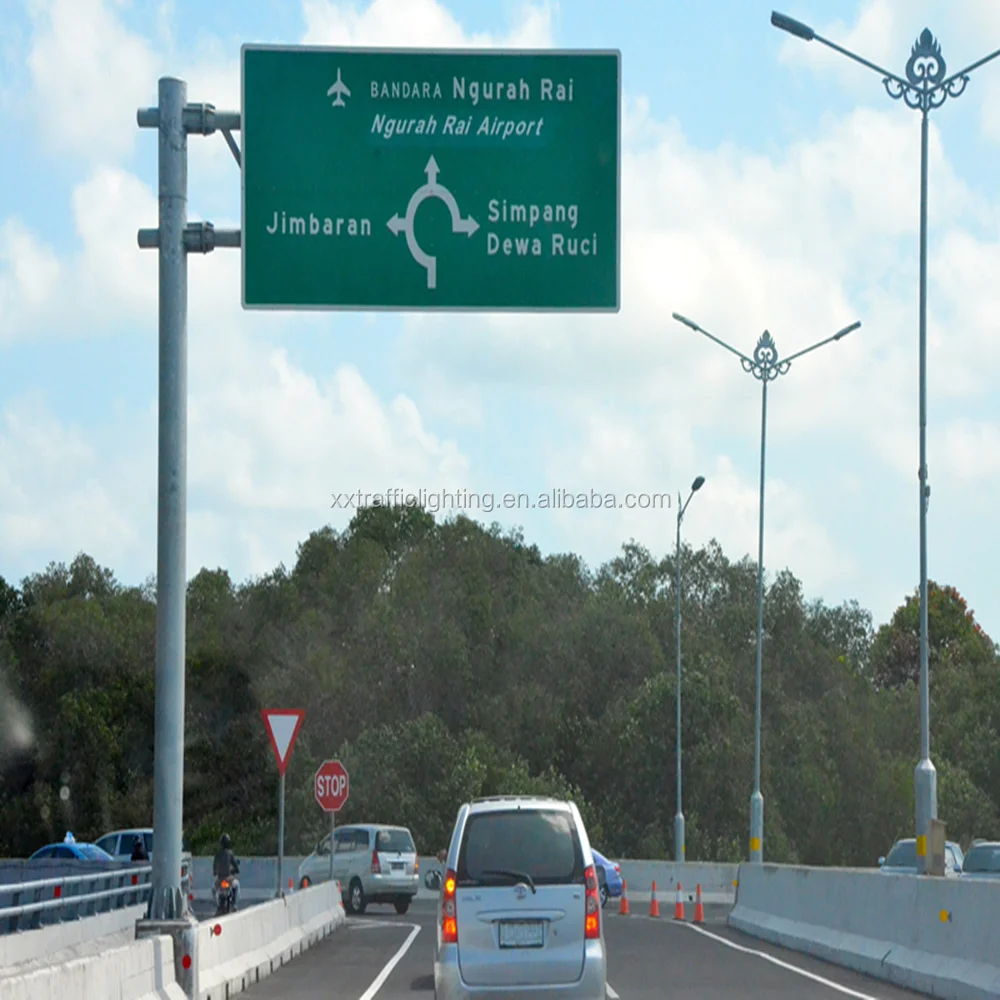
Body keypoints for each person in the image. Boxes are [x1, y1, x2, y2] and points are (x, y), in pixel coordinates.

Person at [213, 833, 240, 910]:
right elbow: (236, 866)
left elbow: (214, 869)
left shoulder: (217, 855)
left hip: (220, 880)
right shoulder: (230, 853)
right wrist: (235, 870)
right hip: (229, 879)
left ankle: (218, 905)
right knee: (237, 885)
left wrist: (216, 872)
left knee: (213, 889)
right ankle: (235, 904)